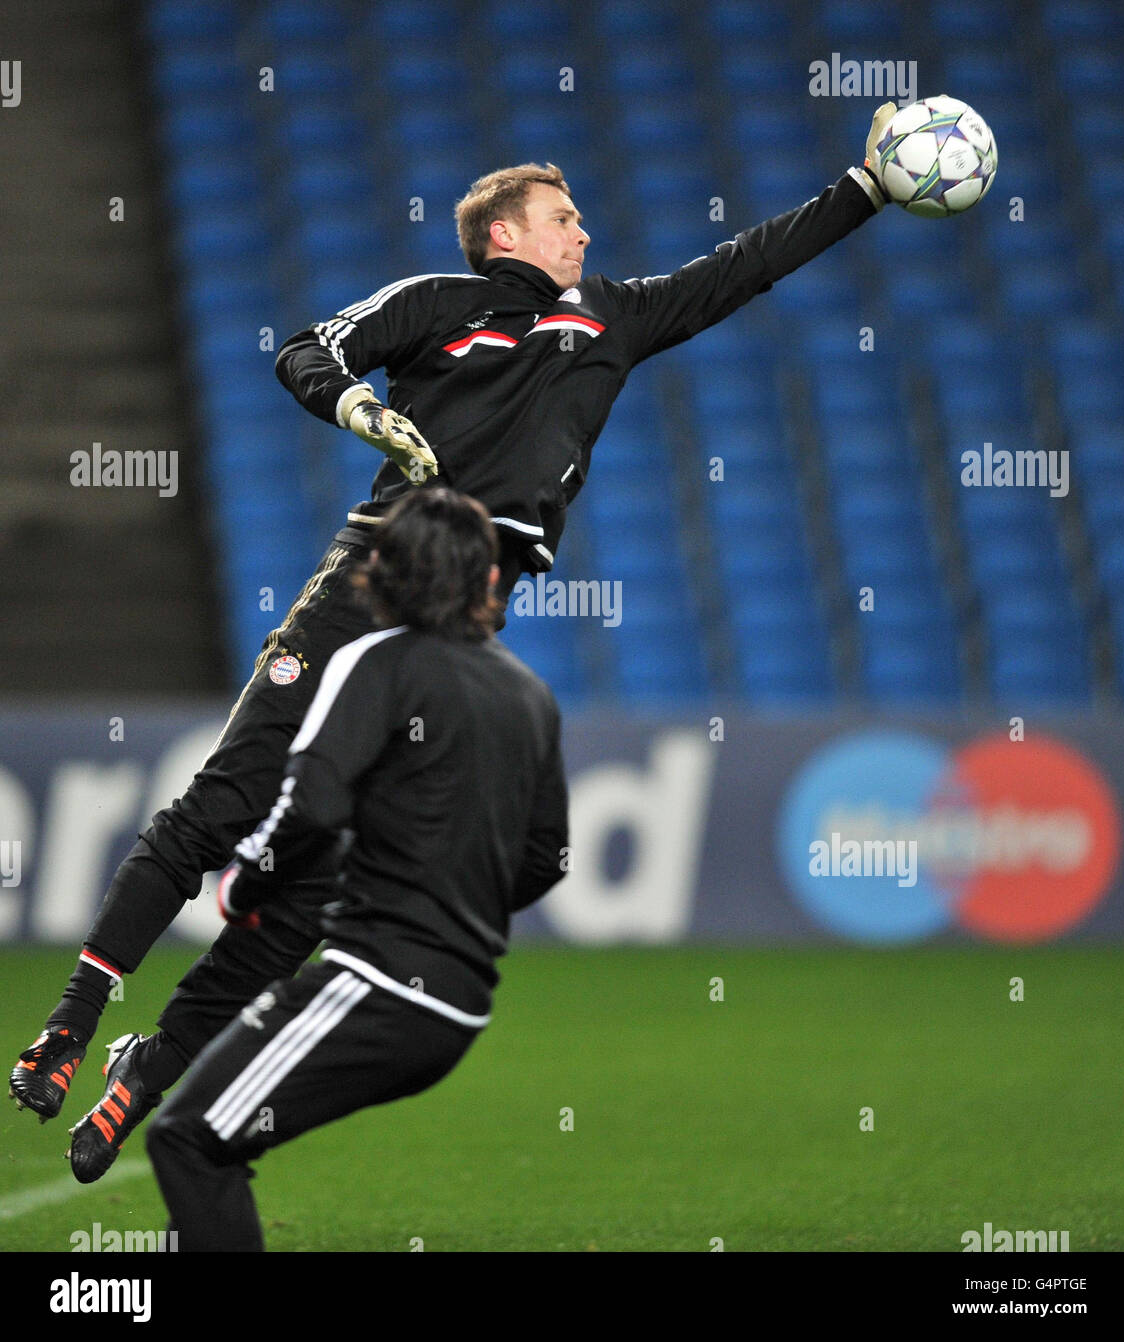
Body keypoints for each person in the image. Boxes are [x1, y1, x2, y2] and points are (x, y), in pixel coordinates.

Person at [10, 106, 898, 1178]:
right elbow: (310, 345)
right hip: (371, 580)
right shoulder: (442, 304)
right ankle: (69, 1026)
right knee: (219, 809)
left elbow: (744, 266)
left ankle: (148, 1075)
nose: (583, 232)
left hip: (465, 623)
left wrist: (865, 187)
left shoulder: (612, 319)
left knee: (311, 884)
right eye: (562, 217)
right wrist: (355, 409)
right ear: (504, 234)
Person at [144, 487, 568, 1251]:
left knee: (187, 1140)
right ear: (486, 581)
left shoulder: (375, 659)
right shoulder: (528, 693)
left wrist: (245, 882)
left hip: (375, 984)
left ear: (386, 571)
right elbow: (545, 857)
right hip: (459, 1003)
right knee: (214, 1144)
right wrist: (451, 898)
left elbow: (309, 804)